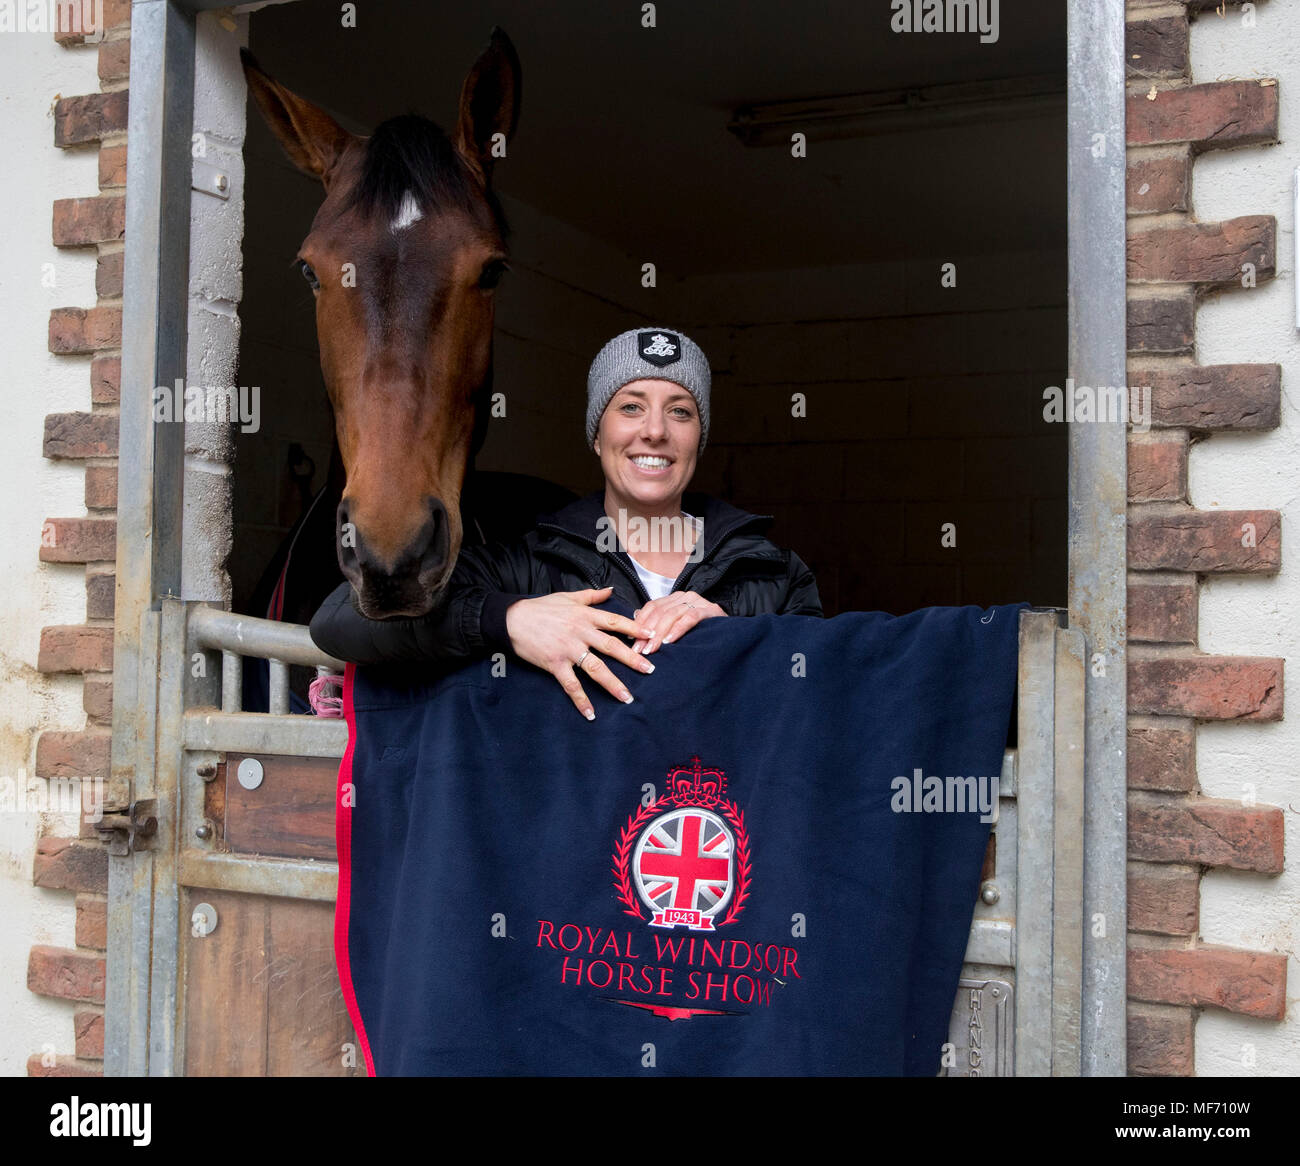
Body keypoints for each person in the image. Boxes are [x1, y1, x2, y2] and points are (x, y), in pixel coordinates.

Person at [309, 326, 823, 719]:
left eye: (681, 412)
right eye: (630, 407)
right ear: (598, 436)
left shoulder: (770, 573)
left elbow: (826, 702)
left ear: (699, 440)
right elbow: (338, 621)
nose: (655, 431)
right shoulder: (530, 564)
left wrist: (740, 642)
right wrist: (509, 619)